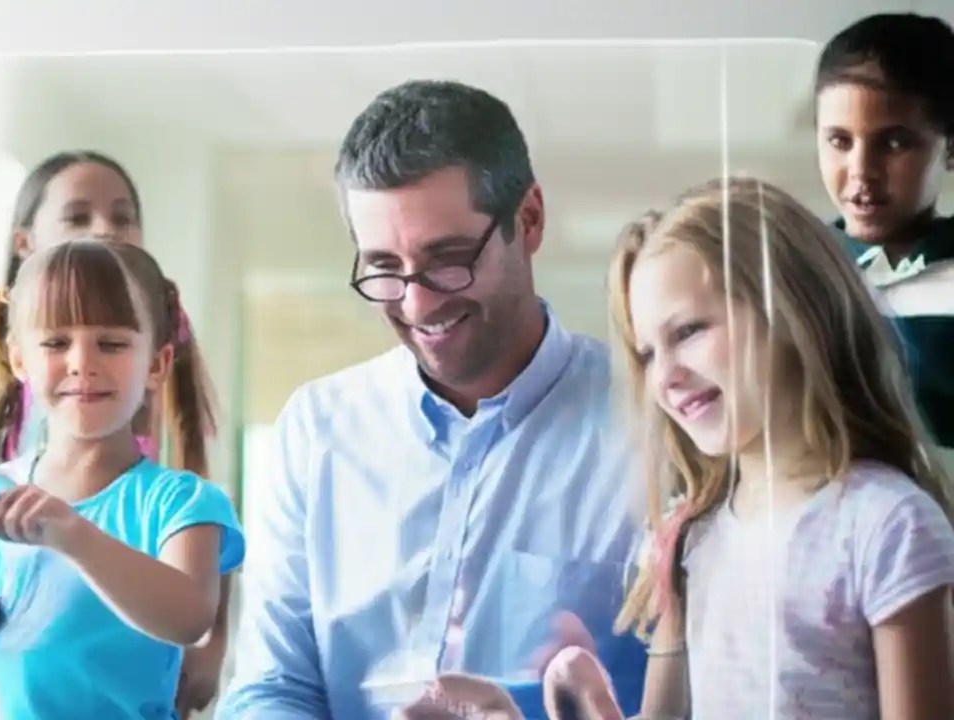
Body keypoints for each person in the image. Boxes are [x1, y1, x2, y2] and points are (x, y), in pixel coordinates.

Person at [218, 79, 647, 720]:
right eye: (384, 266)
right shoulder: (317, 430)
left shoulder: (649, 424)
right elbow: (271, 688)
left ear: (528, 220)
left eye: (448, 258)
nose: (418, 304)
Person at [449, 177, 954, 719]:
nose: (665, 376)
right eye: (647, 354)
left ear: (791, 308)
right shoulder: (690, 539)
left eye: (688, 331)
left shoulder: (888, 526)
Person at [0, 151, 228, 719]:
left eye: (113, 344)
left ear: (156, 361)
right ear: (19, 359)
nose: (82, 363)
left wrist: (74, 533)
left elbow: (192, 611)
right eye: (56, 343)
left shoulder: (180, 503)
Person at [815, 13, 954, 470]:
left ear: (949, 149)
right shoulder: (801, 270)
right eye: (839, 140)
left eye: (893, 144)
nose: (861, 170)